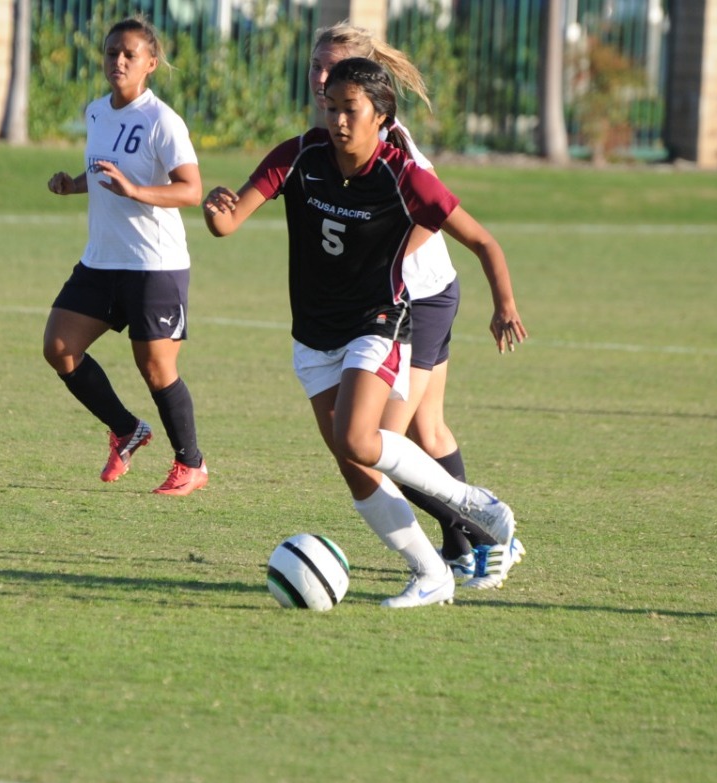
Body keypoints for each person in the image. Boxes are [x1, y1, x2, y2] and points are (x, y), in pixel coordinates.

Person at [203, 58, 527, 608]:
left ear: (380, 115)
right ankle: (431, 574)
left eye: (349, 110)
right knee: (354, 463)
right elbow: (228, 223)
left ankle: (472, 502)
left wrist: (504, 304)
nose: (337, 121)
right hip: (312, 333)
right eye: (330, 108)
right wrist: (216, 210)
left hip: (377, 323)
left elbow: (483, 241)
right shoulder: (300, 155)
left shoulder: (404, 177)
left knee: (358, 437)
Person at [308, 23, 526, 589]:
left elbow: (433, 214)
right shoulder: (335, 130)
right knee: (428, 432)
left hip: (417, 298)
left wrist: (376, 253)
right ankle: (468, 547)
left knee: (378, 445)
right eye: (316, 67)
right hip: (408, 297)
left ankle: (484, 535)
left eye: (334, 68)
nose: (322, 78)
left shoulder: (391, 144)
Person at [43, 16, 208, 496]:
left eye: (129, 54)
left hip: (154, 264)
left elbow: (191, 190)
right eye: (112, 52)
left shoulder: (162, 121)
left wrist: (136, 190)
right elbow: (102, 172)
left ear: (150, 64)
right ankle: (126, 429)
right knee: (59, 347)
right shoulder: (96, 112)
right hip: (102, 260)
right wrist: (72, 184)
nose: (118, 60)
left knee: (156, 369)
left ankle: (191, 463)